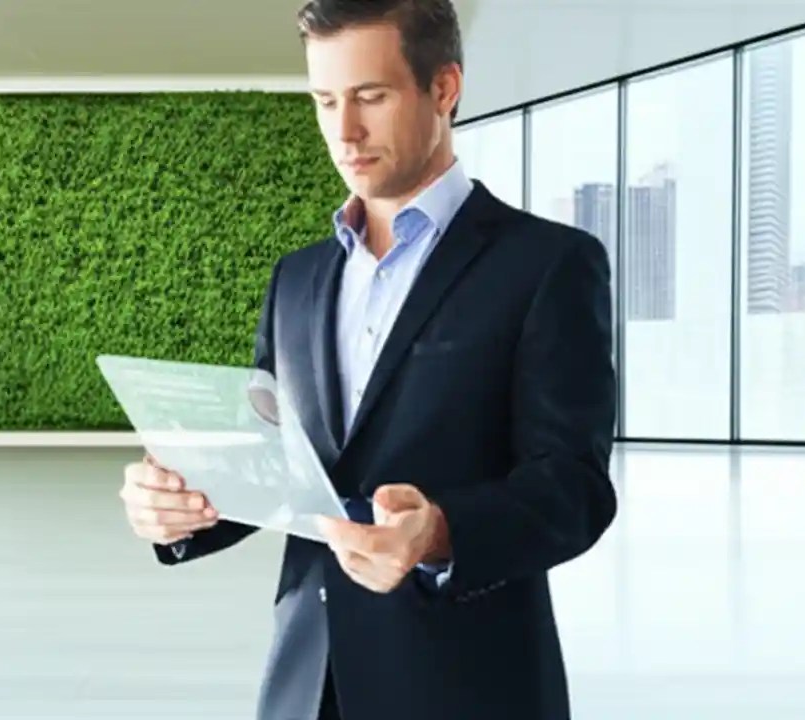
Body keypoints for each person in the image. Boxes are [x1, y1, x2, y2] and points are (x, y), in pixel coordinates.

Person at [117, 0, 618, 717]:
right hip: (305, 681)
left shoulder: (547, 265)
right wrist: (184, 508)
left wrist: (440, 531)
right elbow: (286, 473)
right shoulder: (296, 279)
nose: (343, 131)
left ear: (443, 89)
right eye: (325, 100)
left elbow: (574, 488)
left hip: (466, 686)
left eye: (370, 97)